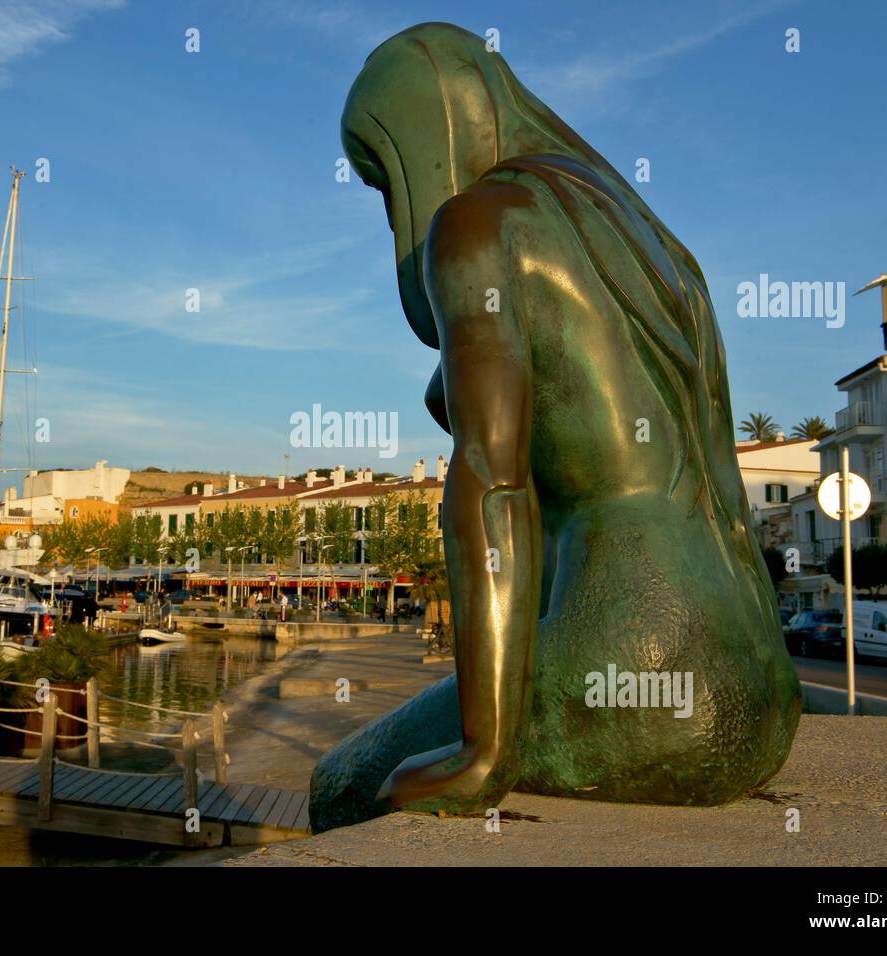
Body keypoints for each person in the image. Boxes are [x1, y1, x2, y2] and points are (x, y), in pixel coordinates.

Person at [310, 22, 800, 830]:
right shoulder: (648, 243)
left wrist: (483, 754)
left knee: (338, 784)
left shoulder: (477, 226)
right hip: (755, 691)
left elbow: (492, 486)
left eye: (380, 179)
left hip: (641, 660)